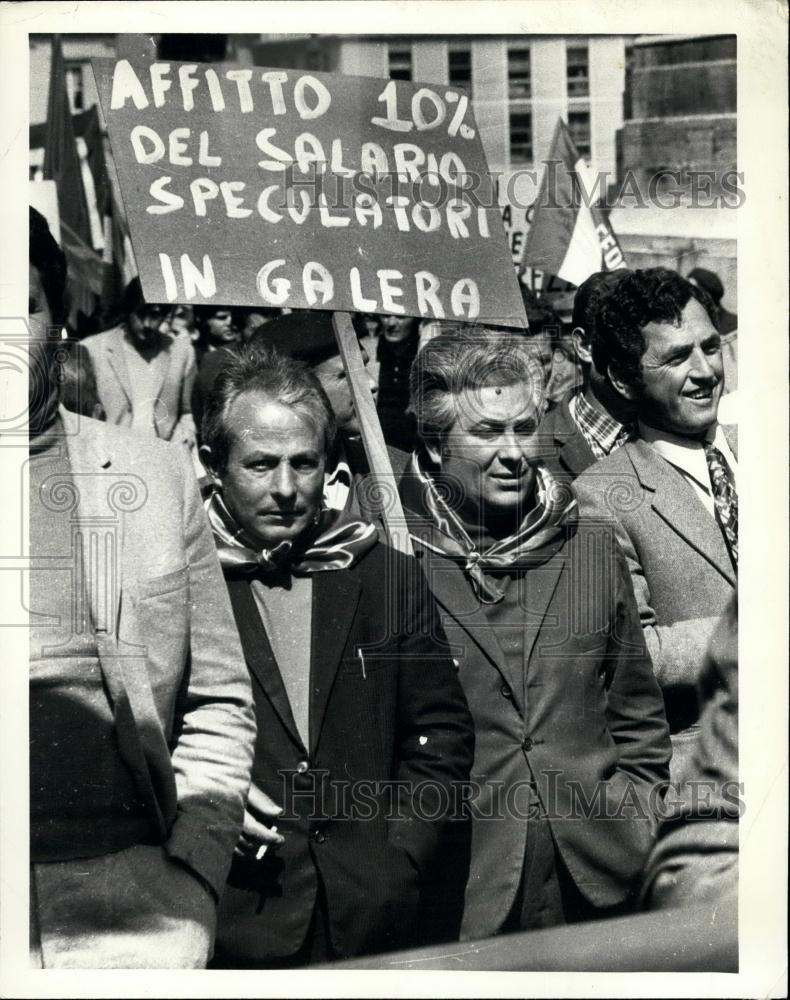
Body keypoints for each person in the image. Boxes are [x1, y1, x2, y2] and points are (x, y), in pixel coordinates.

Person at [27, 206, 256, 968]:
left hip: (139, 910)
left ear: (60, 323)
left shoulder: (152, 475)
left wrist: (194, 873)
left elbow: (220, 693)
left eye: (17, 307)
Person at [199, 343, 474, 965]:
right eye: (261, 465)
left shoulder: (384, 575)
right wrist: (204, 798)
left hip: (368, 915)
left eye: (305, 463)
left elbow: (441, 734)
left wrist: (399, 859)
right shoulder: (182, 581)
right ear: (213, 463)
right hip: (237, 913)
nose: (287, 489)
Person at [399, 327, 671, 942]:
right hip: (463, 886)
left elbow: (636, 713)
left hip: (602, 876)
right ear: (436, 446)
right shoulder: (397, 554)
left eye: (525, 427)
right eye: (488, 431)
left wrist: (639, 820)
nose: (514, 451)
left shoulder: (589, 542)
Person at [575, 267, 737, 784]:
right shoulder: (602, 495)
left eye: (710, 348)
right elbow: (631, 653)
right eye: (675, 358)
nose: (705, 371)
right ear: (623, 379)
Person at [249, 310, 409, 518]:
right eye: (346, 375)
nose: (371, 384)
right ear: (294, 388)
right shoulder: (238, 492)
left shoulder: (396, 471)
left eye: (365, 367)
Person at [537, 270, 635, 483]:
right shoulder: (535, 446)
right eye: (625, 339)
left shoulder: (673, 434)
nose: (641, 355)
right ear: (583, 346)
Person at [82, 277, 197, 447]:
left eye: (155, 315)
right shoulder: (93, 349)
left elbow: (187, 412)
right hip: (112, 458)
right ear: (127, 311)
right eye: (141, 313)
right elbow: (81, 417)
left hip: (162, 458)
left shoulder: (182, 352)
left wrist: (185, 436)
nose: (147, 324)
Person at [375, 315, 420, 453]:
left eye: (401, 317)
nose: (391, 323)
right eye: (386, 316)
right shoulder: (368, 353)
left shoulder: (427, 355)